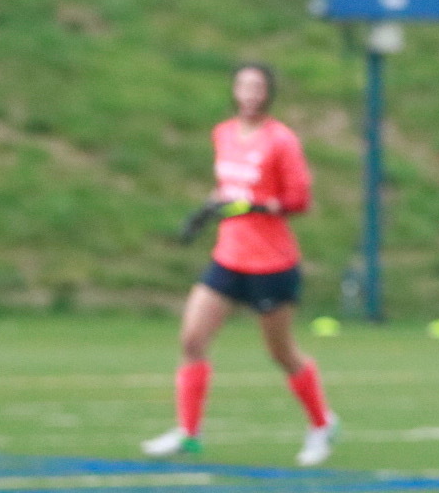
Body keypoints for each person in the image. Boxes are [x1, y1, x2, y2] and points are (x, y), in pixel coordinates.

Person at [142, 63, 337, 466]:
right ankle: (189, 433)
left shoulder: (281, 141)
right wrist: (211, 205)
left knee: (282, 353)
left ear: (268, 93)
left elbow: (299, 199)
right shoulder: (224, 133)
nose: (249, 93)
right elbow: (228, 186)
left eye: (258, 86)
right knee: (192, 340)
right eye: (243, 85)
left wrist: (256, 205)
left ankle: (321, 424)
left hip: (271, 263)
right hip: (228, 257)